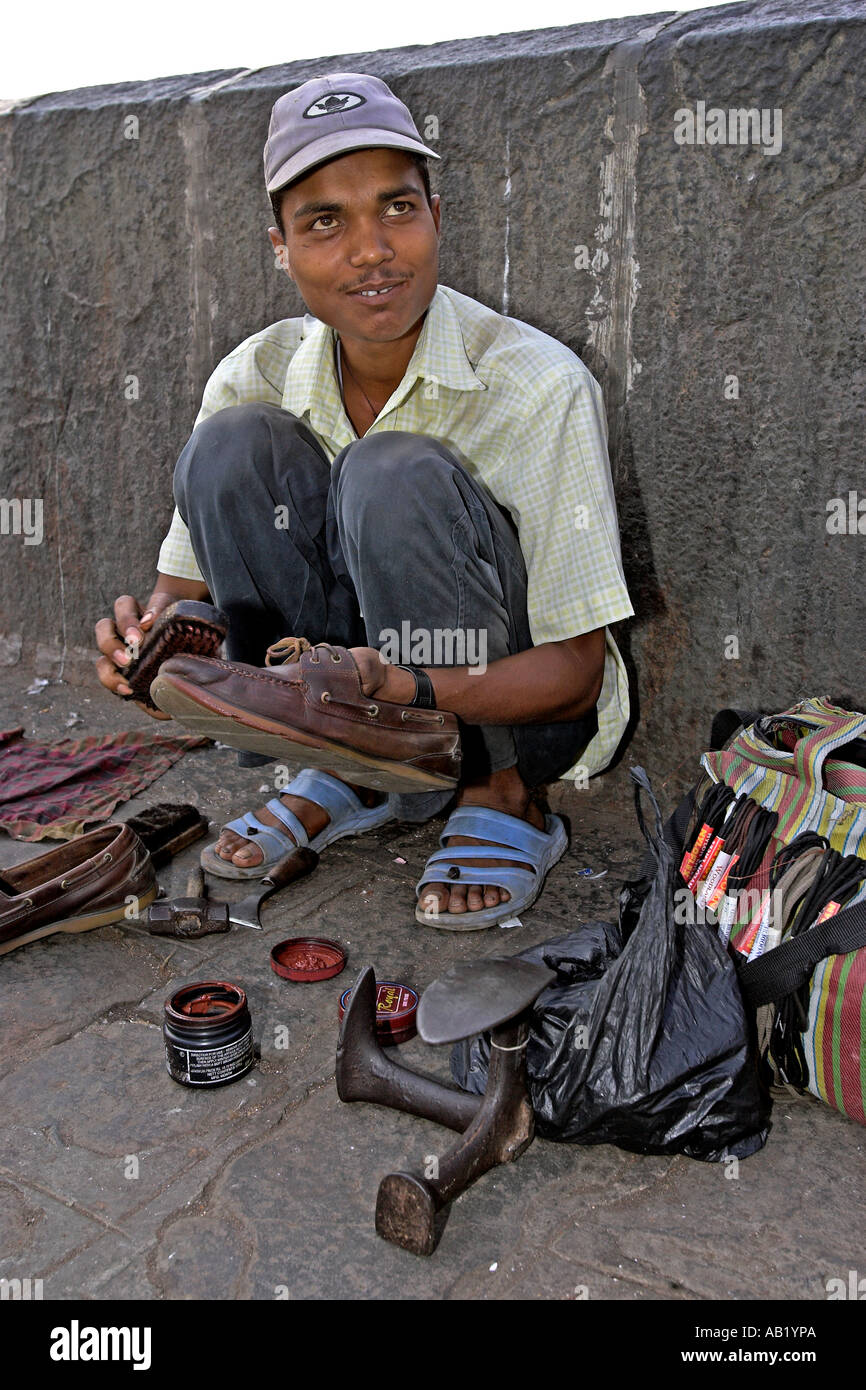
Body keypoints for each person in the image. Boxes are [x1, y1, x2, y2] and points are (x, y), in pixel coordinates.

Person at [95, 71, 634, 930]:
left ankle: (502, 794)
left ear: (436, 216)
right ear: (279, 246)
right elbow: (185, 594)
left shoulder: (536, 385)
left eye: (396, 208)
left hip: (504, 710)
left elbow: (577, 675)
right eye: (324, 222)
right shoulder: (253, 374)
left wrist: (397, 684)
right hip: (348, 695)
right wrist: (145, 646)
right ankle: (347, 768)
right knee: (233, 446)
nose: (372, 249)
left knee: (390, 474)